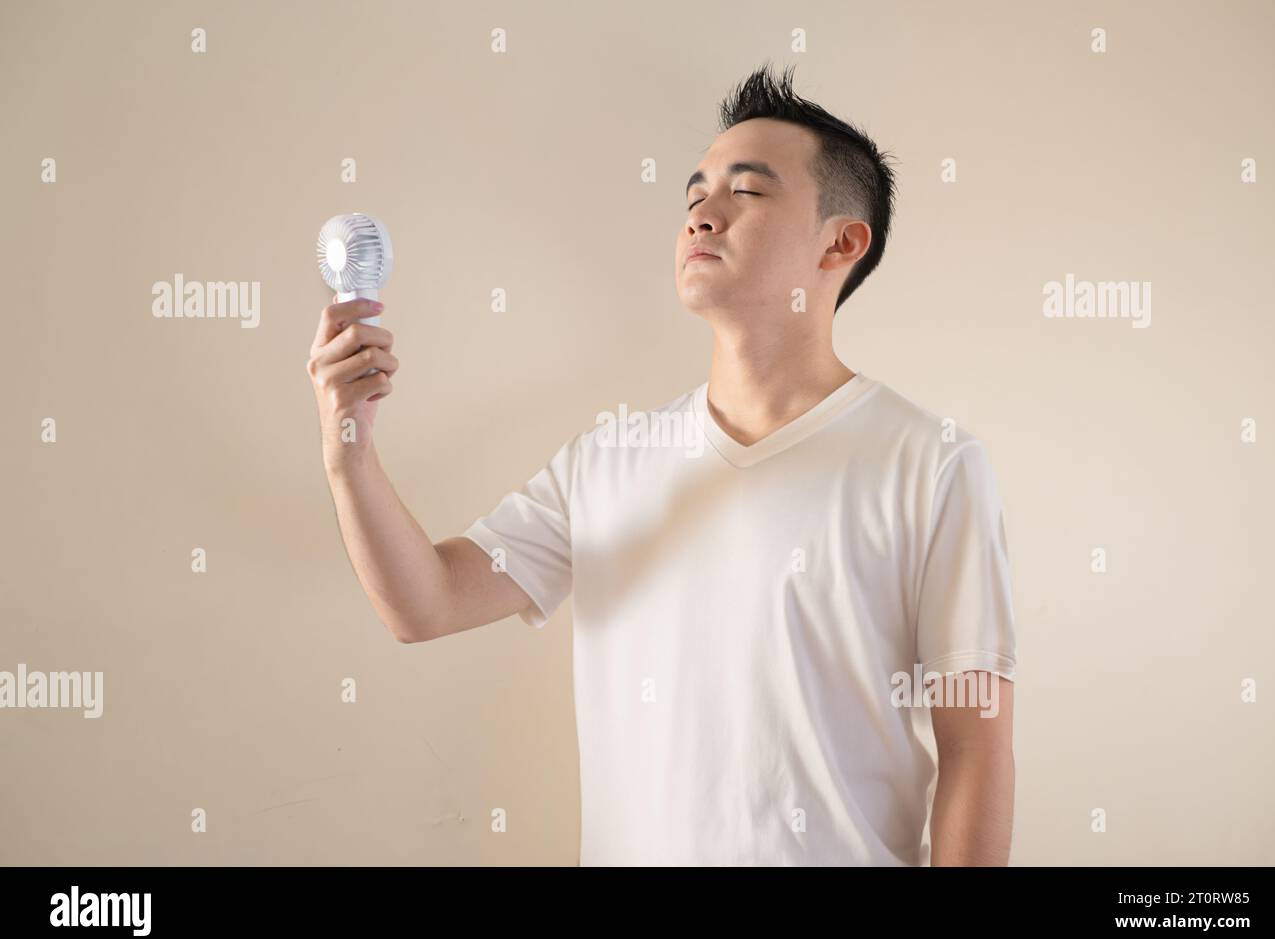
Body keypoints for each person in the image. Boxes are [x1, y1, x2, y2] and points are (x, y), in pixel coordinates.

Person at [306, 62, 1017, 866]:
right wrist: (348, 446)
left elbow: (977, 752)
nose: (702, 217)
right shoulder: (604, 462)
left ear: (842, 241)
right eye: (692, 197)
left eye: (745, 193)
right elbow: (423, 604)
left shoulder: (931, 463)